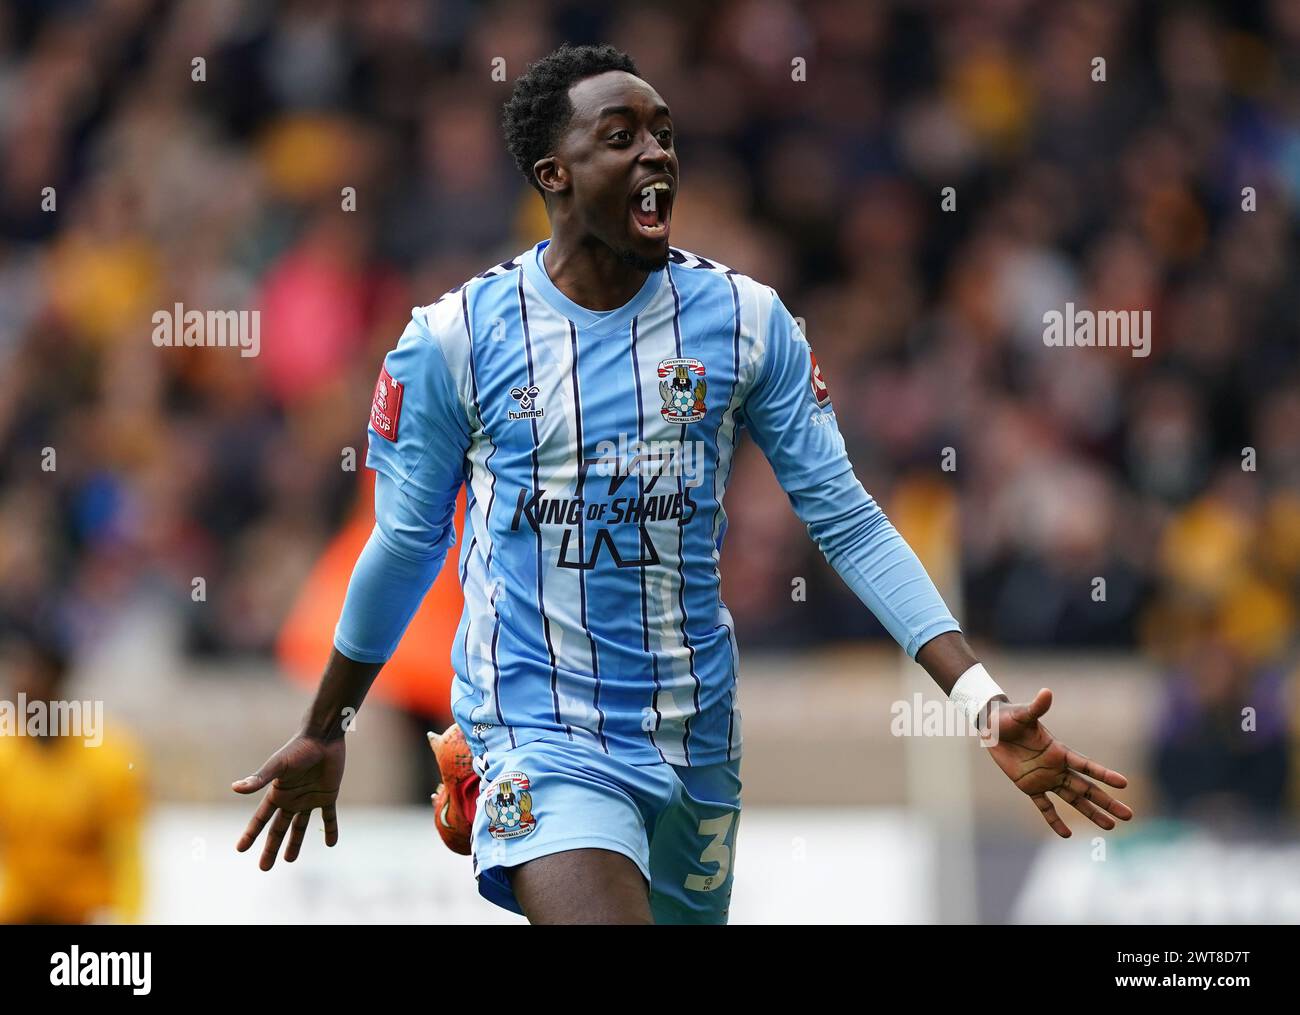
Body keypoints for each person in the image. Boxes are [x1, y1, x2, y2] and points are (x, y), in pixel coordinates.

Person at [233, 43, 1133, 924]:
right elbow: (405, 543)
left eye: (663, 133)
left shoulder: (745, 323)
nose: (656, 152)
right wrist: (327, 721)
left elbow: (848, 521)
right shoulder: (456, 340)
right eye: (621, 136)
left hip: (693, 737)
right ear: (554, 174)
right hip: (537, 736)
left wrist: (979, 697)